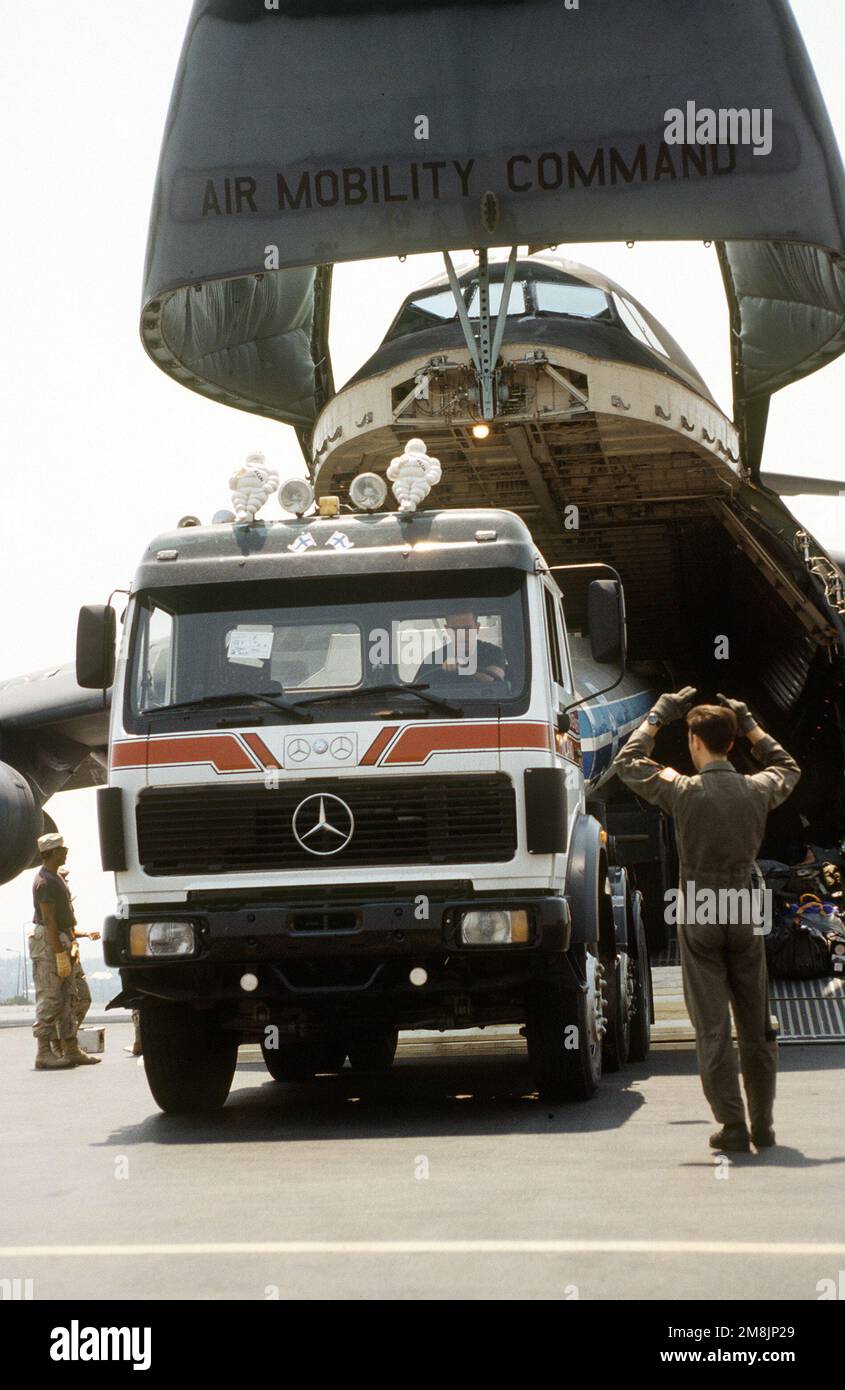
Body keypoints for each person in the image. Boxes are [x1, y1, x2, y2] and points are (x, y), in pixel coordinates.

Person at [611, 688, 800, 1153]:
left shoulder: (681, 790)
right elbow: (789, 768)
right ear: (733, 744)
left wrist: (659, 715)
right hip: (744, 901)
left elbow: (628, 762)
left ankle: (731, 1123)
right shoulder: (757, 788)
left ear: (694, 741)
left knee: (713, 1022)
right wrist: (750, 721)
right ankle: (763, 1122)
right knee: (755, 1021)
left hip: (697, 901)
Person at [29, 833, 101, 1069]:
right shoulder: (45, 882)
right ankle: (43, 1053)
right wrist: (59, 952)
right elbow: (49, 920)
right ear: (51, 852)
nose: (66, 851)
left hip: (60, 939)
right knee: (51, 997)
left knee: (68, 996)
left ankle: (70, 1049)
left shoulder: (54, 878)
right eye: (62, 848)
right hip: (50, 941)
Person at [416, 609, 507, 685]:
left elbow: (493, 677)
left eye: (467, 629)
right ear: (447, 629)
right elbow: (416, 691)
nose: (461, 635)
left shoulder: (493, 652)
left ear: (477, 627)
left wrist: (464, 666)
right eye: (455, 629)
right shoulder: (433, 658)